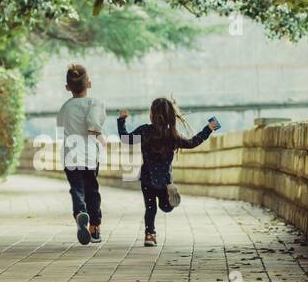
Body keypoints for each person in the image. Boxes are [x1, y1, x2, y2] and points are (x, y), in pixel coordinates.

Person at [117, 98, 218, 247]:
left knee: (150, 209)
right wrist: (208, 129)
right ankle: (151, 232)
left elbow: (126, 139)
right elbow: (192, 142)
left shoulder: (144, 130)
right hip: (165, 181)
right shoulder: (172, 136)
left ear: (152, 115)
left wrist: (121, 120)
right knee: (166, 207)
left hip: (147, 179)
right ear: (170, 115)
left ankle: (149, 235)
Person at [57, 63, 106, 244]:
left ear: (68, 87)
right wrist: (101, 139)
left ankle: (80, 212)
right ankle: (95, 229)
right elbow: (94, 125)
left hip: (70, 155)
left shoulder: (65, 108)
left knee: (76, 188)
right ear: (89, 84)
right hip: (89, 155)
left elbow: (59, 131)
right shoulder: (95, 102)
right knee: (92, 190)